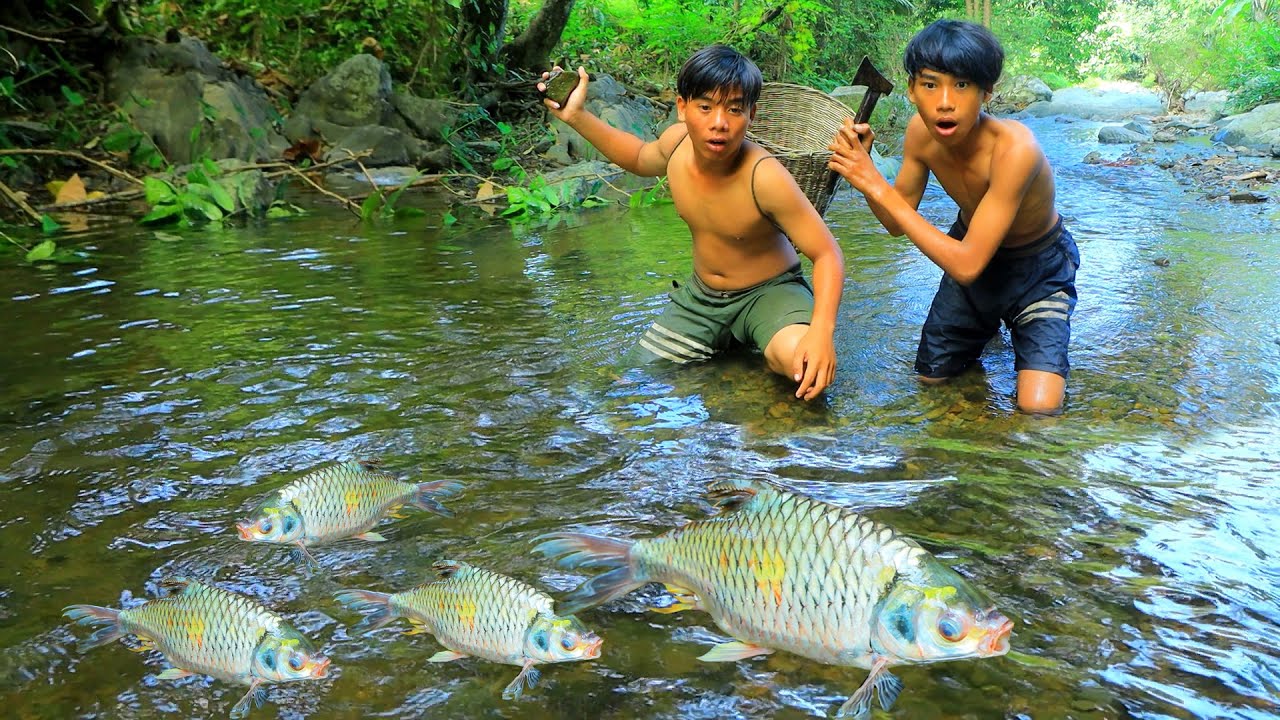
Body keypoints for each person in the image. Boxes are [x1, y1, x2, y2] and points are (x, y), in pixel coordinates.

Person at [538, 45, 844, 401]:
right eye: (705, 107)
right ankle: (730, 355)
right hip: (700, 300)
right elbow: (638, 156)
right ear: (682, 108)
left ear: (752, 114)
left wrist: (821, 333)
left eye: (734, 109)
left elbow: (827, 254)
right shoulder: (676, 143)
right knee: (628, 383)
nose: (719, 122)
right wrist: (576, 116)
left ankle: (763, 356)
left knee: (801, 366)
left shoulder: (765, 176)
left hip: (770, 293)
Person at [828, 19, 1079, 414]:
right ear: (911, 90)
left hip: (1038, 266)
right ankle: (989, 321)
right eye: (930, 84)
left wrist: (875, 184)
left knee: (1038, 411)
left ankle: (1016, 320)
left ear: (987, 93)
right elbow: (895, 223)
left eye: (962, 85)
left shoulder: (1016, 150)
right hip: (972, 247)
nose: (945, 101)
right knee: (932, 379)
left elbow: (966, 265)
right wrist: (866, 178)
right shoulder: (919, 134)